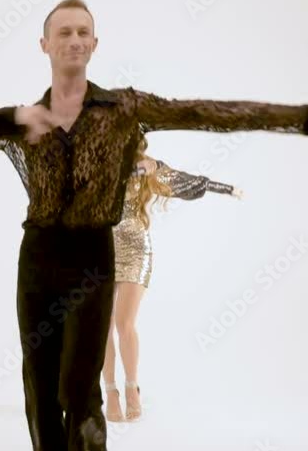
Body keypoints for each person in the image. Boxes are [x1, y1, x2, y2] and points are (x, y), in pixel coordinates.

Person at [0, 0, 307, 451]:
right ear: (45, 45)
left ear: (95, 44)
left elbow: (209, 113)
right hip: (37, 257)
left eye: (84, 31)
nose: (75, 39)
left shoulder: (125, 107)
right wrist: (11, 118)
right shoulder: (24, 118)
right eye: (64, 32)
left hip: (90, 258)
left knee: (77, 389)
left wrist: (295, 118)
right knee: (38, 388)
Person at [104, 136, 242, 423]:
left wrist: (226, 188)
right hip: (100, 250)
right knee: (102, 327)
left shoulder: (145, 166)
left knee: (124, 323)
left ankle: (131, 388)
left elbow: (185, 180)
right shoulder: (96, 165)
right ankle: (111, 391)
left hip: (135, 249)